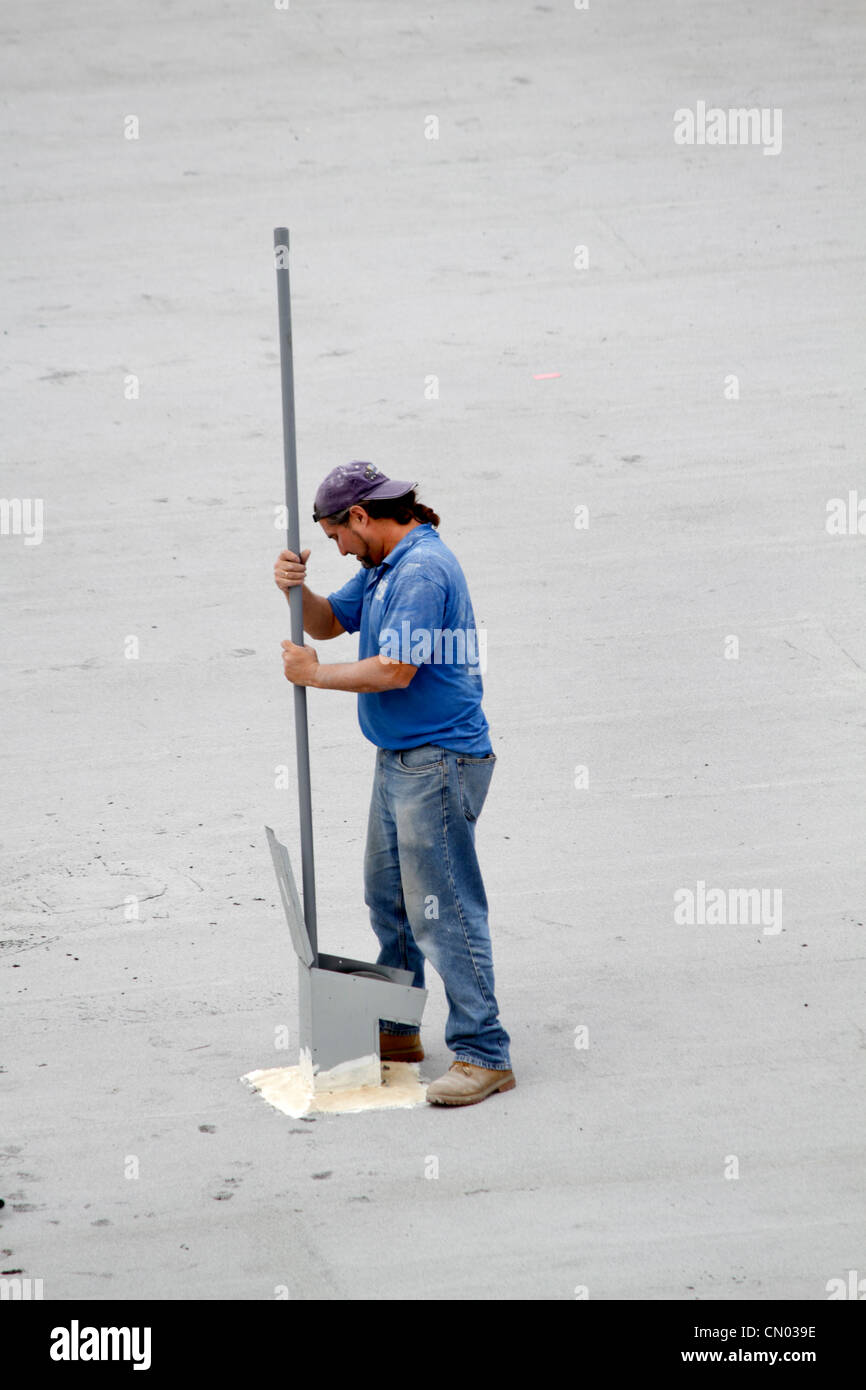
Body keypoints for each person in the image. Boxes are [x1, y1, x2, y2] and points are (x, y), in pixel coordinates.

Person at [274, 460, 514, 1107]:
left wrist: (313, 676)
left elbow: (396, 671)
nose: (340, 550)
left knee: (444, 909)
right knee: (389, 901)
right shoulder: (381, 567)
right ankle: (400, 1030)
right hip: (399, 760)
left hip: (438, 762)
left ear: (360, 517)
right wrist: (297, 592)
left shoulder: (421, 571)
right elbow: (328, 622)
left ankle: (484, 1051)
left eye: (337, 539)